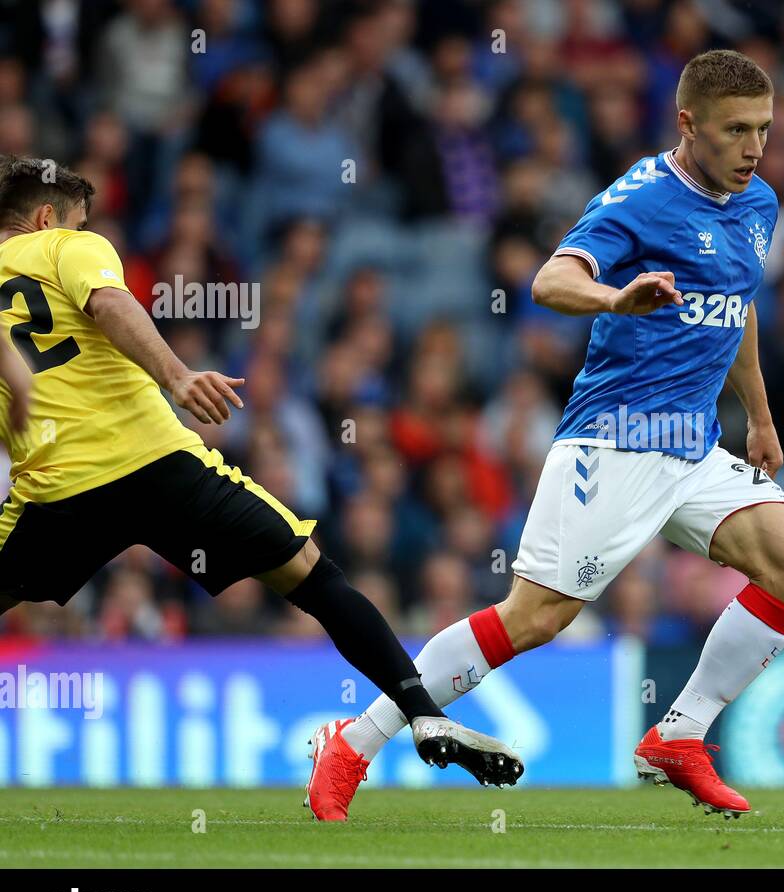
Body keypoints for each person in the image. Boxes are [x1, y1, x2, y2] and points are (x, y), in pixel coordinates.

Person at [313, 50, 784, 820]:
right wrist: (615, 299)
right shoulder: (643, 200)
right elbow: (551, 279)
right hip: (613, 442)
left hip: (693, 449)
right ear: (688, 125)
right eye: (735, 131)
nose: (754, 148)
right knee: (536, 619)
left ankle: (680, 734)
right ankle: (355, 739)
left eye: (764, 129)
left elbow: (739, 302)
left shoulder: (757, 204)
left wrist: (758, 416)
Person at [0, 155, 519, 822]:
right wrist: (178, 375)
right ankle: (421, 713)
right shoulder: (69, 245)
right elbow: (110, 302)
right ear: (46, 218)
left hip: (57, 490)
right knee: (312, 576)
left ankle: (412, 720)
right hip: (156, 462)